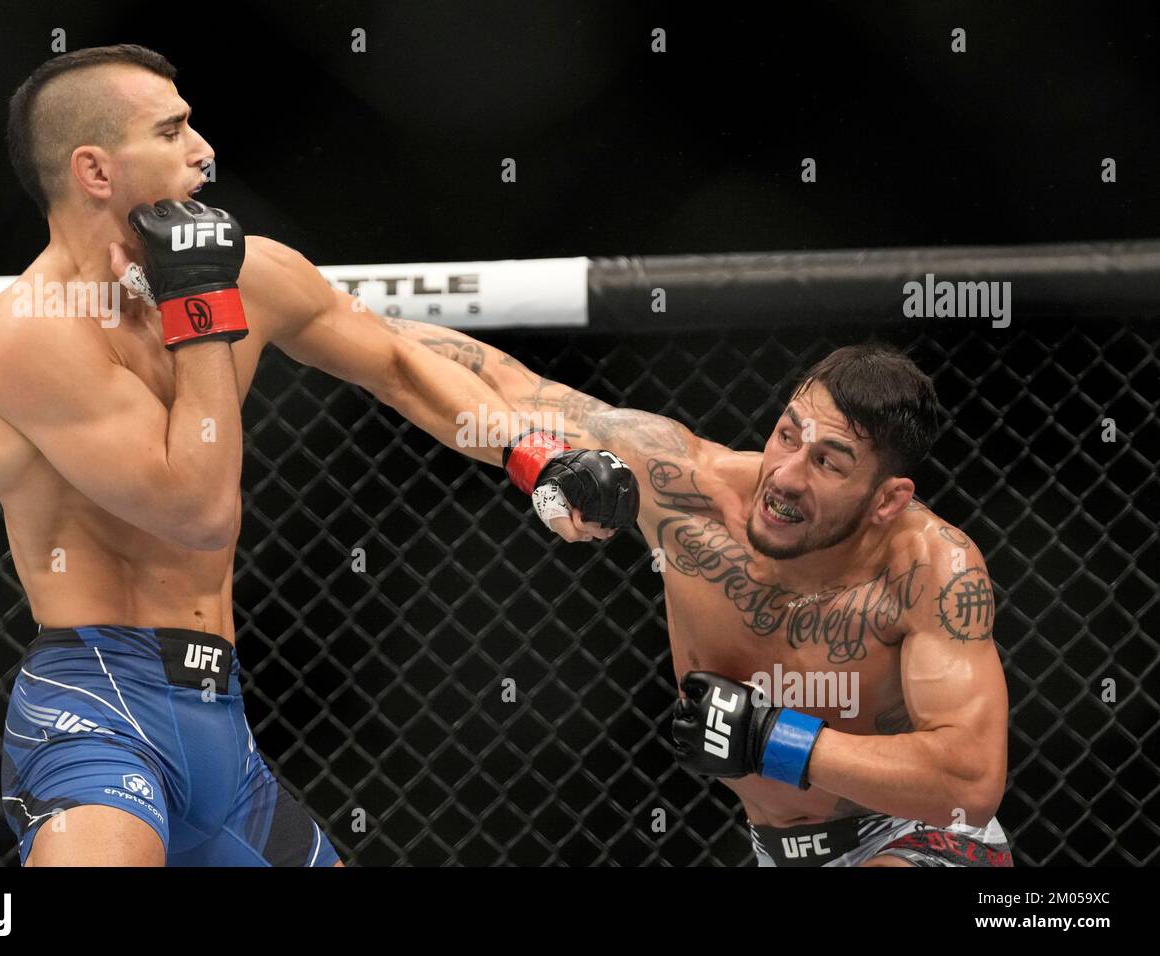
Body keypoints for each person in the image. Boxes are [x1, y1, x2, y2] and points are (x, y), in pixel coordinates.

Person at [0, 44, 636, 866]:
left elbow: (395, 364)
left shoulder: (247, 272)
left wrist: (532, 456)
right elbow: (200, 509)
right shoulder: (31, 335)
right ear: (95, 172)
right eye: (171, 130)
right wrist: (202, 307)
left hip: (221, 722)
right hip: (96, 714)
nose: (204, 151)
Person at [388, 319, 1014, 867]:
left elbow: (970, 780)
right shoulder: (682, 490)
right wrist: (535, 458)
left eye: (829, 462)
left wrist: (774, 739)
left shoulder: (934, 567)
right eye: (787, 435)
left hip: (920, 841)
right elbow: (505, 386)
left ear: (887, 499)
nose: (787, 474)